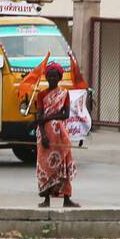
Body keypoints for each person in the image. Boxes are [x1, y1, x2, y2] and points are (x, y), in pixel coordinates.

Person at [35, 61, 78, 207]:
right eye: (50, 76)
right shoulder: (41, 95)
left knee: (63, 165)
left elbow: (65, 115)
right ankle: (46, 199)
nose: (52, 79)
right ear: (46, 78)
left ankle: (67, 198)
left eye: (55, 77)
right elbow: (39, 119)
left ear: (59, 78)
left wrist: (48, 117)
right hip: (45, 136)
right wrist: (43, 135)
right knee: (45, 166)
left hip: (60, 135)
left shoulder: (64, 94)